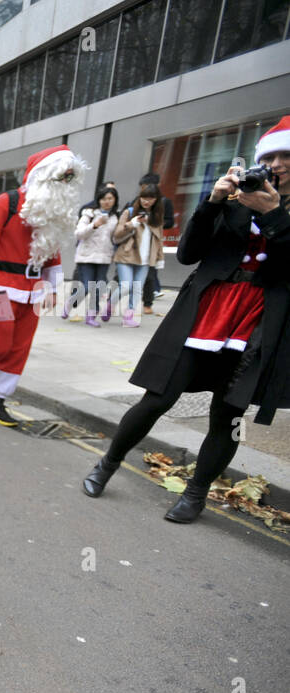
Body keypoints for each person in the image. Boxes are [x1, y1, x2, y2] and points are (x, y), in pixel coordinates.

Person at [83, 116, 290, 523]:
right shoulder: (232, 200)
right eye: (272, 156)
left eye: (288, 156)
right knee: (158, 397)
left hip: (258, 319)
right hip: (207, 310)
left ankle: (196, 493)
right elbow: (192, 252)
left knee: (228, 414)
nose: (279, 164)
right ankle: (107, 463)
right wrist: (211, 202)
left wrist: (274, 215)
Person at [0, 145, 87, 426]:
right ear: (44, 175)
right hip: (0, 289)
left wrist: (52, 287)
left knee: (19, 348)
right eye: (62, 178)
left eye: (69, 180)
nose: (64, 185)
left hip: (34, 292)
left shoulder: (55, 212)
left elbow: (53, 252)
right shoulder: (6, 202)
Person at [111, 183, 165, 325]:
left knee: (137, 289)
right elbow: (116, 235)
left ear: (156, 200)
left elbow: (159, 240)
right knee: (126, 286)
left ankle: (128, 317)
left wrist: (159, 258)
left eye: (150, 198)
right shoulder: (129, 212)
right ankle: (110, 305)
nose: (146, 201)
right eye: (144, 198)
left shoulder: (157, 217)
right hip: (127, 256)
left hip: (145, 260)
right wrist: (132, 223)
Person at [69, 186, 119, 326]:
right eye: (104, 199)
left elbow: (115, 239)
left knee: (99, 288)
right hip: (86, 256)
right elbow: (79, 234)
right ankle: (70, 303)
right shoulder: (89, 213)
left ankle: (91, 317)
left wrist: (127, 230)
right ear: (99, 200)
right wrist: (94, 225)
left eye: (110, 199)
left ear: (115, 200)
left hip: (104, 257)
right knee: (86, 286)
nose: (107, 202)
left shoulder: (115, 217)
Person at [139, 172, 176, 308]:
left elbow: (169, 222)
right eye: (142, 187)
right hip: (136, 242)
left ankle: (148, 301)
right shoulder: (137, 202)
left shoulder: (164, 202)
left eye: (146, 186)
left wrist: (153, 222)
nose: (144, 190)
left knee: (150, 272)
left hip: (153, 241)